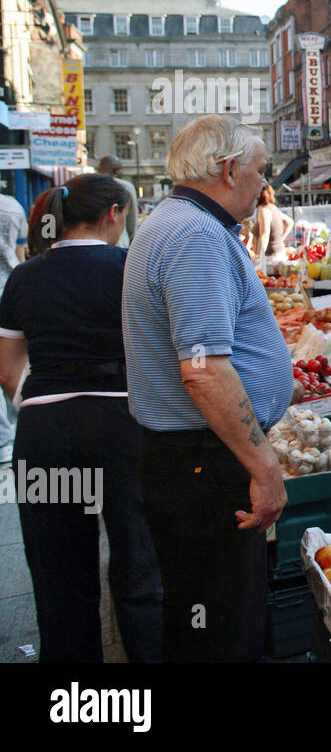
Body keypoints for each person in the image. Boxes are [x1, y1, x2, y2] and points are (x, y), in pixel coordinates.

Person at [122, 114, 292, 662]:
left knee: (207, 611)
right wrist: (265, 468)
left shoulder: (175, 222)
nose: (264, 187)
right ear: (226, 169)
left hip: (193, 458)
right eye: (260, 172)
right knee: (219, 624)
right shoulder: (193, 234)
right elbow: (203, 369)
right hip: (203, 462)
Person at [0, 176, 164, 662]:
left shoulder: (24, 276)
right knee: (139, 563)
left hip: (46, 433)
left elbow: (8, 370)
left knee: (59, 574)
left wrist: (45, 397)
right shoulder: (131, 267)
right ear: (114, 214)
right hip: (123, 425)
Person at [0, 191, 26, 465]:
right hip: (9, 284)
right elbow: (20, 252)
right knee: (12, 362)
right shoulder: (12, 205)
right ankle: (15, 421)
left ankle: (2, 436)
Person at [97, 155, 139, 249]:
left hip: (93, 245)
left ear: (99, 168)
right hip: (119, 244)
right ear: (116, 170)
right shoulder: (127, 187)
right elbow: (132, 224)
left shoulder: (87, 186)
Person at [250, 183, 293, 271]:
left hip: (270, 259)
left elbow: (264, 235)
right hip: (279, 254)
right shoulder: (273, 208)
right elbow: (289, 222)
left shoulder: (264, 210)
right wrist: (280, 239)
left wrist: (258, 258)